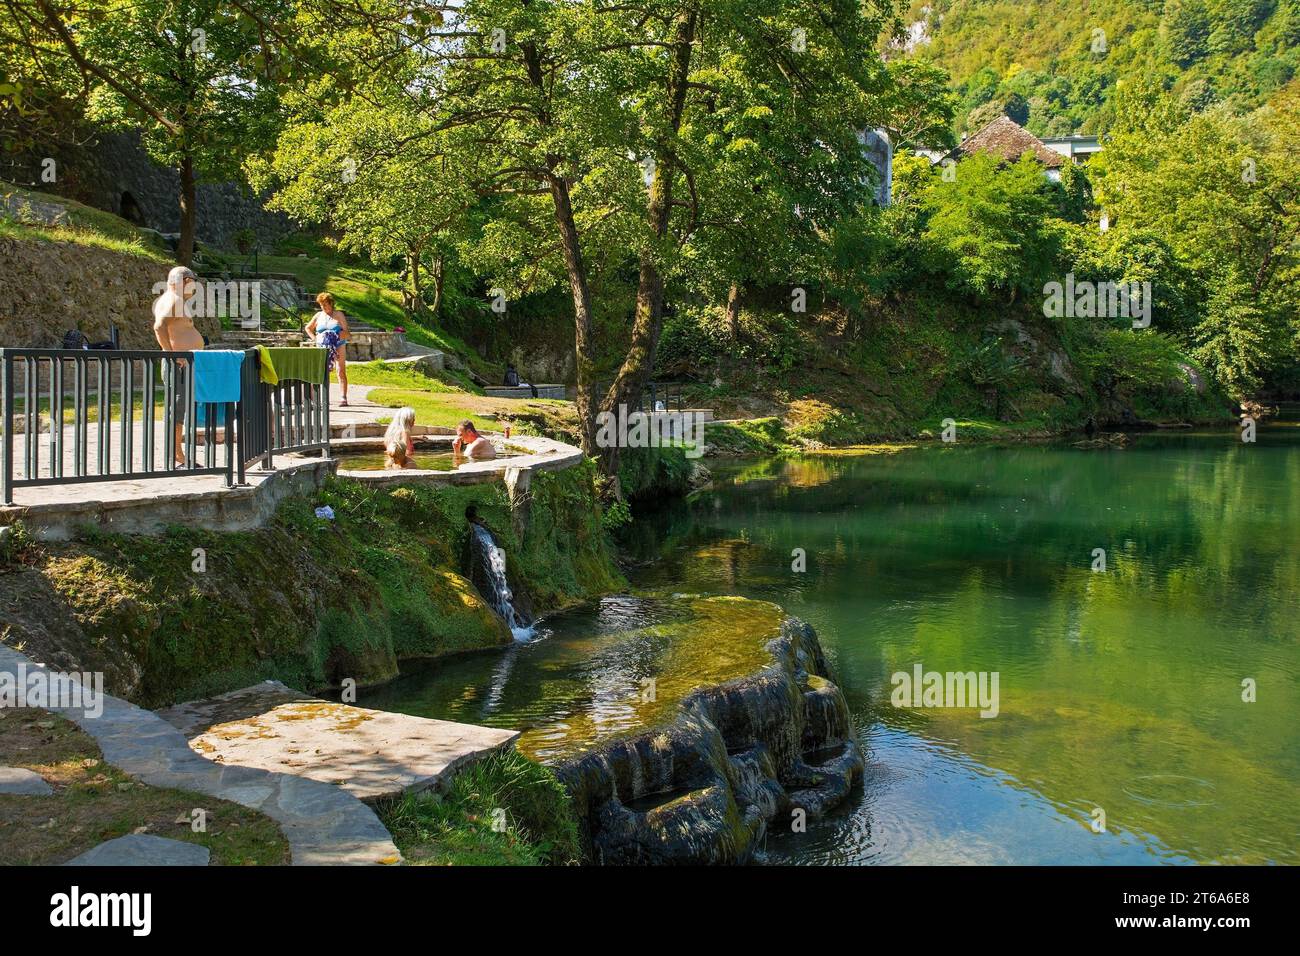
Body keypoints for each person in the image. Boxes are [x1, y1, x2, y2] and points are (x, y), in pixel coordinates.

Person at [152, 265, 203, 466]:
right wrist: (172, 355)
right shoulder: (174, 300)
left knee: (179, 408)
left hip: (182, 363)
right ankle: (177, 454)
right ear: (186, 282)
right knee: (178, 408)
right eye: (193, 284)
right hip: (179, 364)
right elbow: (159, 326)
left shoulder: (172, 300)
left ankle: (177, 452)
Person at [305, 292, 351, 406]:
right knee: (319, 371)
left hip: (338, 345)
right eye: (321, 305)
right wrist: (315, 339)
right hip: (322, 346)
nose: (323, 307)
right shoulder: (318, 315)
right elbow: (308, 328)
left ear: (331, 303)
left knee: (340, 370)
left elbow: (347, 333)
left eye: (325, 304)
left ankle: (343, 397)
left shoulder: (339, 315)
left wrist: (334, 336)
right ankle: (314, 399)